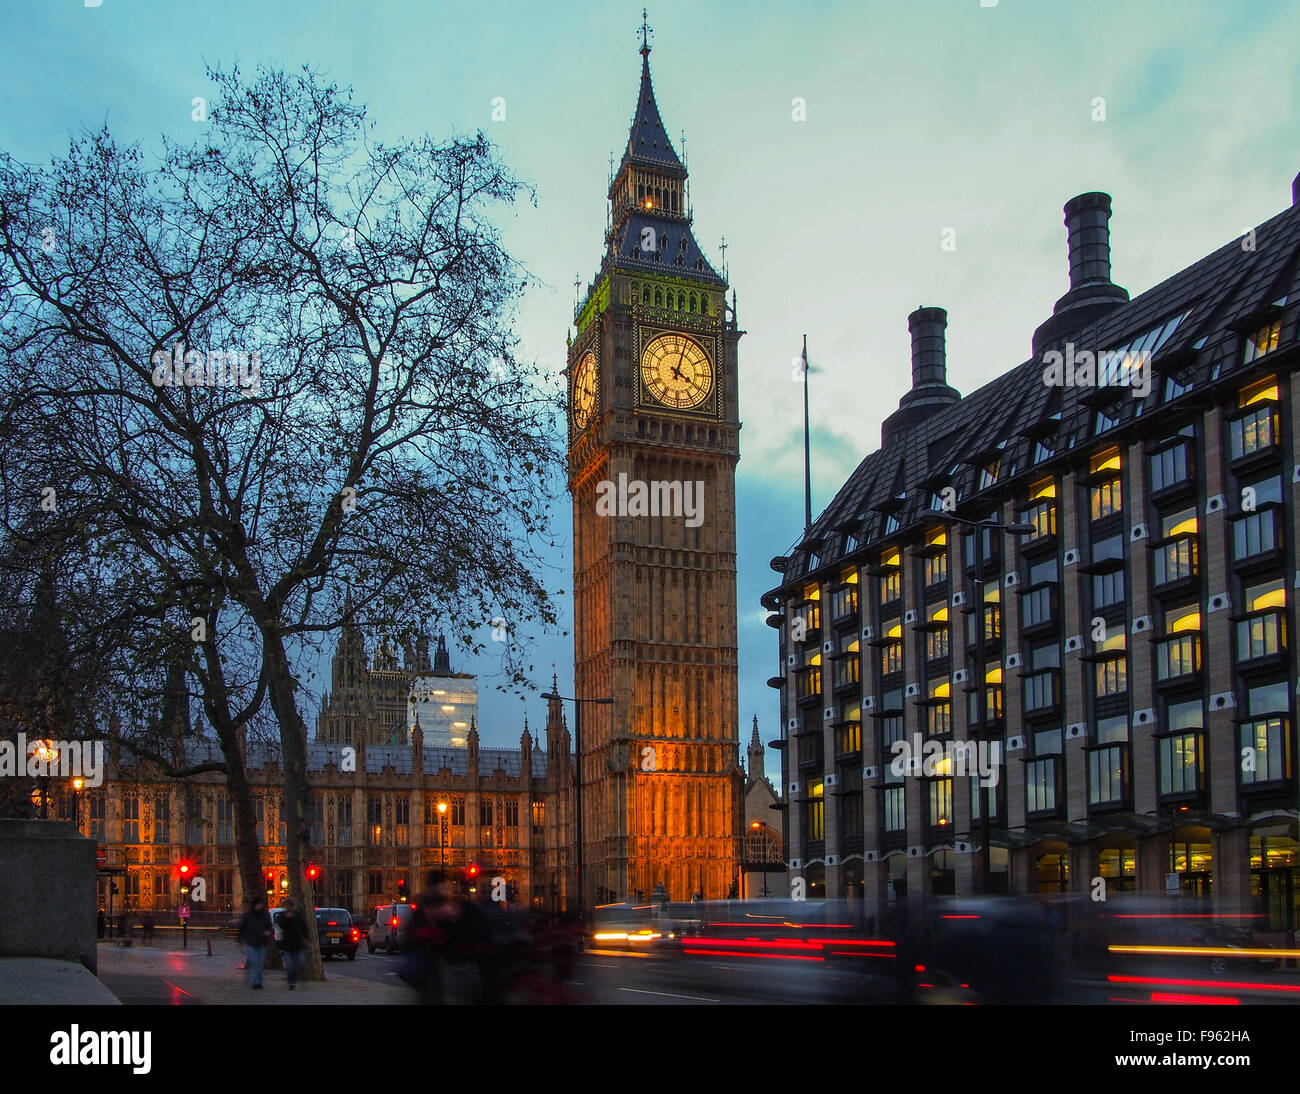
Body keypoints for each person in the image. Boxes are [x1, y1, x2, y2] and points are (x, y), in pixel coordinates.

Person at [238, 898, 273, 989]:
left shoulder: (265, 915)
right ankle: (255, 981)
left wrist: (269, 932)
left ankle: (258, 980)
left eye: (261, 904)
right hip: (250, 941)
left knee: (260, 963)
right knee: (254, 961)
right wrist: (240, 938)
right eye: (258, 904)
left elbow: (270, 926)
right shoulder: (248, 916)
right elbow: (242, 927)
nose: (260, 906)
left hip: (262, 942)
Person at [277, 898, 310, 990]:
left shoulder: (298, 915)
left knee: (300, 963)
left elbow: (304, 927)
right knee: (289, 966)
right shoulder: (283, 915)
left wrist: (306, 939)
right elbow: (281, 925)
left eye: (290, 906)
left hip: (298, 944)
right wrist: (287, 918)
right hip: (287, 945)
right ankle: (291, 982)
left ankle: (296, 977)